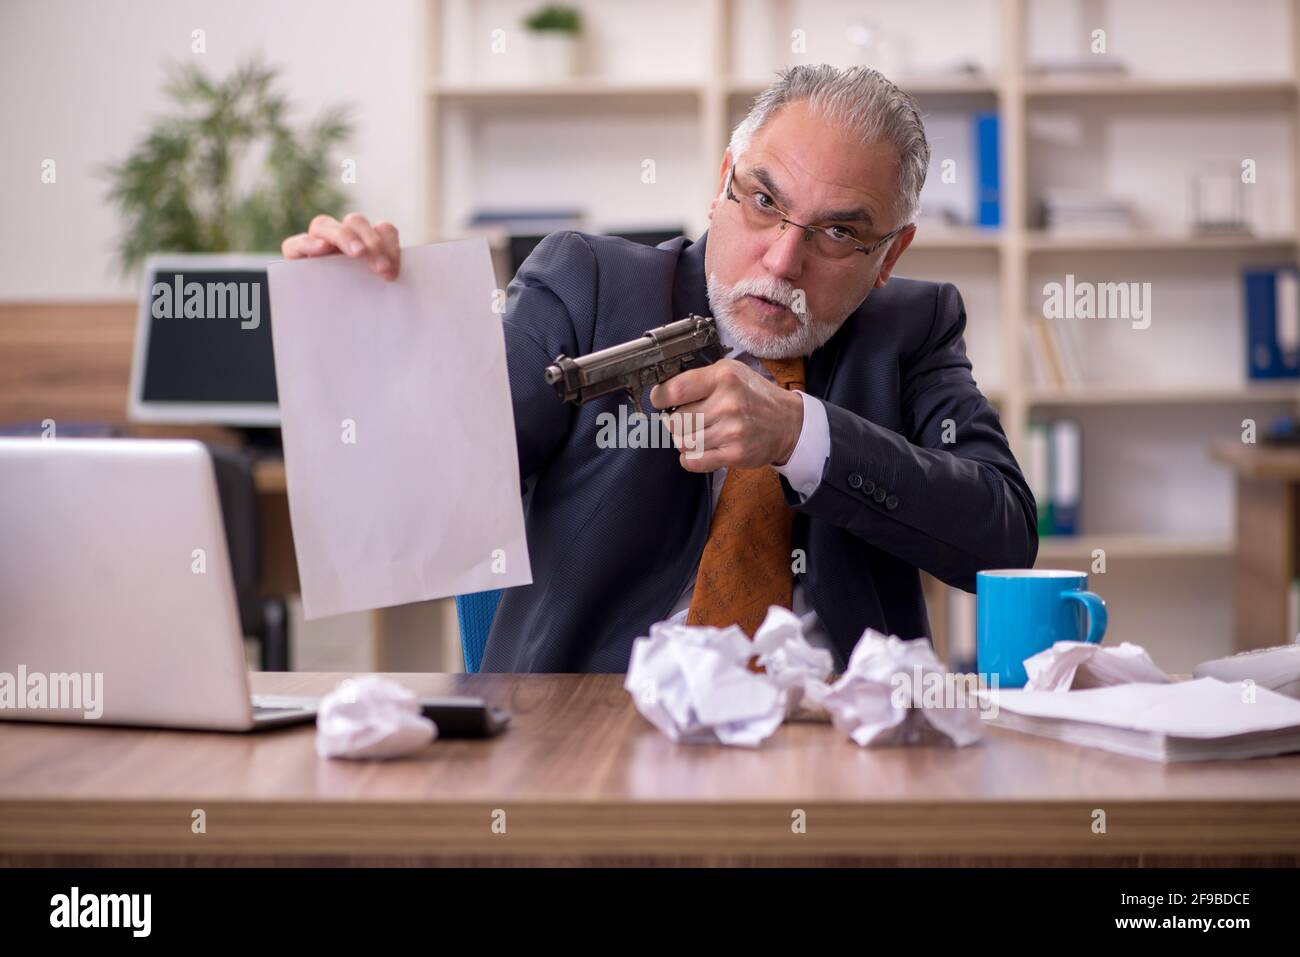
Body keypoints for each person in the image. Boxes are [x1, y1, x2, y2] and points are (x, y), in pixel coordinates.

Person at [281, 64, 1037, 672]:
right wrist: (364, 333)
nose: (781, 259)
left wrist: (801, 435)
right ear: (721, 185)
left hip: (835, 744)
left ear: (888, 258)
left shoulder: (914, 326)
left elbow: (1002, 533)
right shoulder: (589, 284)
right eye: (764, 200)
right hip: (596, 734)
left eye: (839, 231)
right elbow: (436, 480)